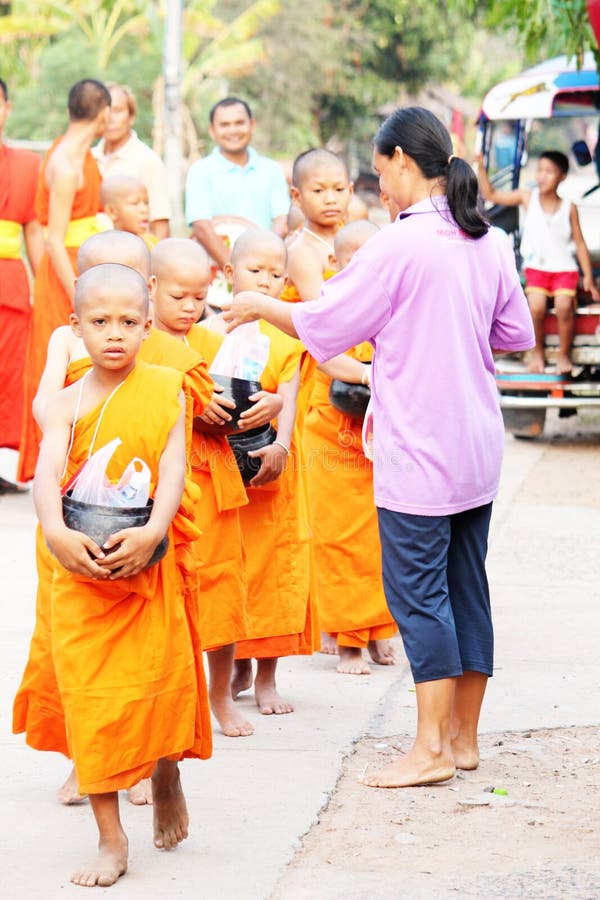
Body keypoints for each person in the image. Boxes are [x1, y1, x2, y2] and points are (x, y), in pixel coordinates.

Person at [223, 107, 535, 787]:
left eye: (377, 166)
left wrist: (258, 305)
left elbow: (326, 325)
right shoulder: (485, 237)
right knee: (466, 588)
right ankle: (462, 741)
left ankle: (427, 749)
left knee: (418, 594)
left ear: (397, 159)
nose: (374, 181)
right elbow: (513, 334)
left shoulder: (400, 243)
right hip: (477, 444)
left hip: (420, 447)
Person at [14, 231, 214, 808]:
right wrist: (81, 401)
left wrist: (155, 529)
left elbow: (176, 444)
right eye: (97, 314)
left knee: (153, 658)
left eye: (129, 313)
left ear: (146, 302)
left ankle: (159, 761)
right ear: (77, 312)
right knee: (76, 657)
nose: (114, 327)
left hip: (148, 529)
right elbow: (44, 415)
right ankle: (91, 760)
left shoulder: (161, 367)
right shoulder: (68, 345)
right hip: (73, 524)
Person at [150, 238, 284, 734]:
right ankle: (170, 709)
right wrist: (190, 406)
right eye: (178, 297)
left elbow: (239, 391)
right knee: (167, 604)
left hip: (216, 482)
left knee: (223, 591)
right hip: (166, 489)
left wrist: (269, 406)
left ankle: (219, 696)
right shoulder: (139, 343)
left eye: (199, 297)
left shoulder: (210, 338)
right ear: (152, 288)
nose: (190, 308)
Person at [222, 229, 316, 715]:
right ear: (228, 273)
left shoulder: (285, 333)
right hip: (225, 473)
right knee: (233, 571)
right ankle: (236, 661)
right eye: (254, 271)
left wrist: (280, 443)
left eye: (276, 274)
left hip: (274, 471)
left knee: (276, 572)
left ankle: (268, 678)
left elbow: (292, 396)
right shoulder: (212, 329)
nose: (265, 281)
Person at [303, 220, 397, 675]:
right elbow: (324, 355)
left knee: (380, 542)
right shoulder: (328, 304)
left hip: (376, 445)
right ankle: (347, 643)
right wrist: (367, 373)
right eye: (353, 259)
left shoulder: (391, 306)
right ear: (334, 265)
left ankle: (378, 629)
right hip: (331, 443)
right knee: (339, 541)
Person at [17, 78, 111, 485]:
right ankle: (55, 464)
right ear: (104, 113)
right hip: (66, 276)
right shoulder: (66, 164)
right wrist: (78, 289)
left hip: (83, 264)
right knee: (63, 363)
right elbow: (53, 238)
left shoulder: (79, 153)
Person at [477, 149, 599, 374]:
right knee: (536, 306)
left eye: (549, 172)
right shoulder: (527, 198)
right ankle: (538, 354)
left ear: (562, 176)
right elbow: (491, 194)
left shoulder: (568, 207)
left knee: (564, 307)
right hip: (537, 270)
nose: (542, 176)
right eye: (540, 170)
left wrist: (588, 277)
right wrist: (480, 165)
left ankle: (563, 355)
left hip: (564, 270)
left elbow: (580, 243)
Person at [185, 97, 290, 271]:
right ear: (212, 130)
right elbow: (201, 226)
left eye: (239, 123)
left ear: (252, 124)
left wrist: (262, 262)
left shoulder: (272, 170)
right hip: (217, 274)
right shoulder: (200, 171)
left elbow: (282, 221)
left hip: (265, 269)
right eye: (224, 125)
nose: (233, 130)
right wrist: (235, 270)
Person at [0, 77, 44, 492]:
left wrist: (41, 285)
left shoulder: (28, 165)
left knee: (9, 374)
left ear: (7, 108)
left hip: (10, 284)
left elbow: (33, 230)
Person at [93, 83, 170, 240]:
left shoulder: (147, 160)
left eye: (118, 111)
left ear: (131, 117)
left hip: (132, 257)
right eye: (104, 111)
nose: (110, 119)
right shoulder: (88, 159)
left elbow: (160, 225)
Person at [100, 174, 157, 248]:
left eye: (146, 203)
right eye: (135, 203)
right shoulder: (107, 248)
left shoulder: (152, 244)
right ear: (112, 211)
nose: (144, 210)